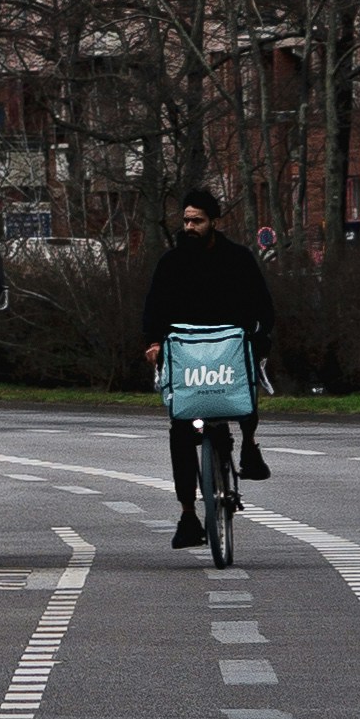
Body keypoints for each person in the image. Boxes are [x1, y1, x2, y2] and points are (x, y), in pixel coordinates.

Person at [142, 186, 274, 545]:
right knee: (181, 430)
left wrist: (258, 337)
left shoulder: (238, 259)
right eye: (185, 220)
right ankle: (187, 514)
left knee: (245, 386)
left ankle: (249, 445)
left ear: (214, 222)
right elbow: (154, 307)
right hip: (186, 357)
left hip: (229, 350)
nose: (189, 227)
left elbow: (263, 306)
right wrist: (154, 342)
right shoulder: (171, 263)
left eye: (197, 221)